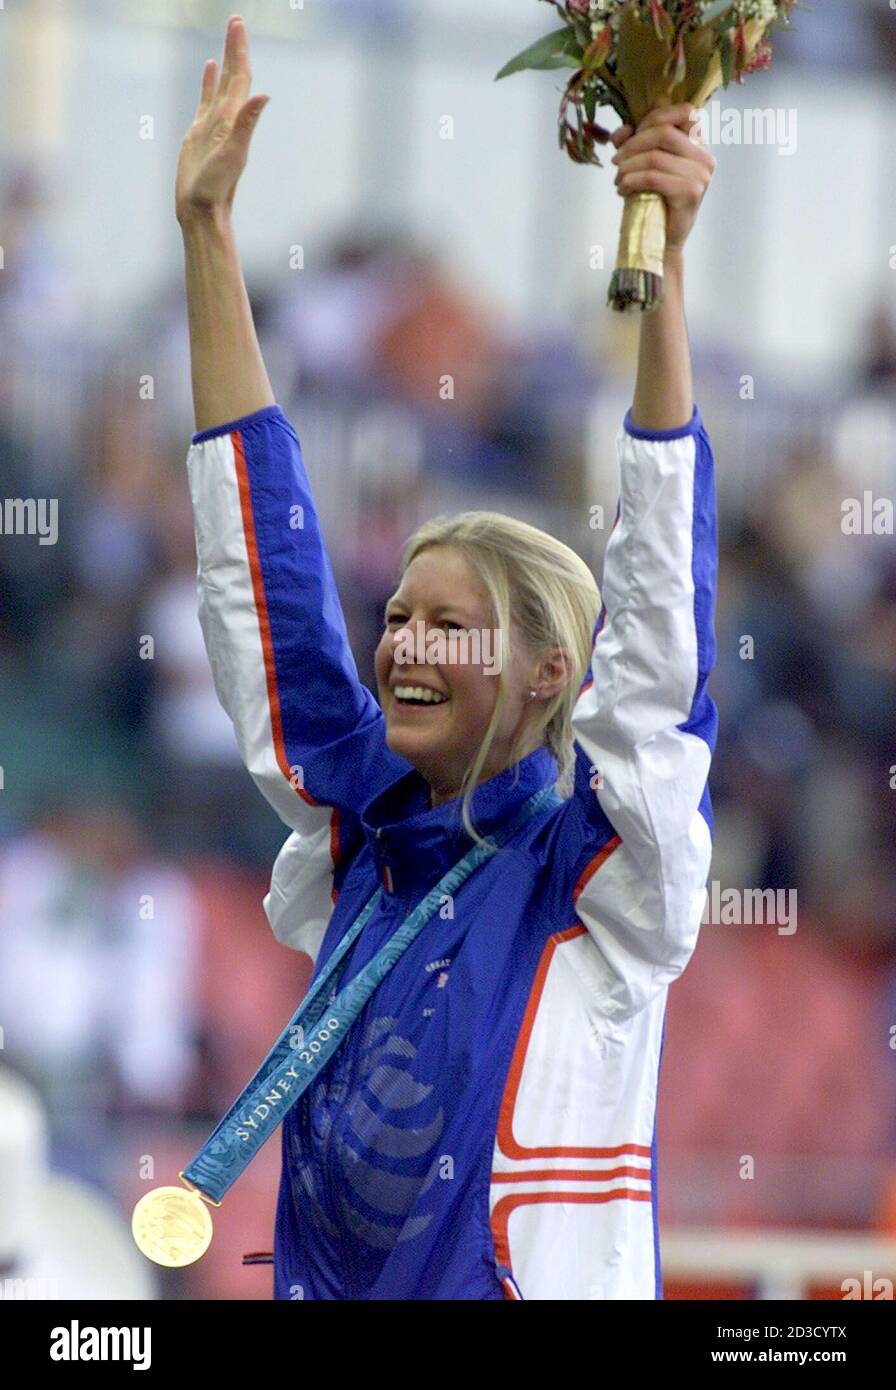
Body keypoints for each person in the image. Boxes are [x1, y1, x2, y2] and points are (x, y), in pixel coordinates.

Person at [176, 15, 718, 1300]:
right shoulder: (362, 830)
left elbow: (653, 647)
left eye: (447, 625)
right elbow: (268, 595)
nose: (403, 645)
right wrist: (206, 235)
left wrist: (667, 278)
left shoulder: (595, 877)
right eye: (401, 618)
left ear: (545, 675)